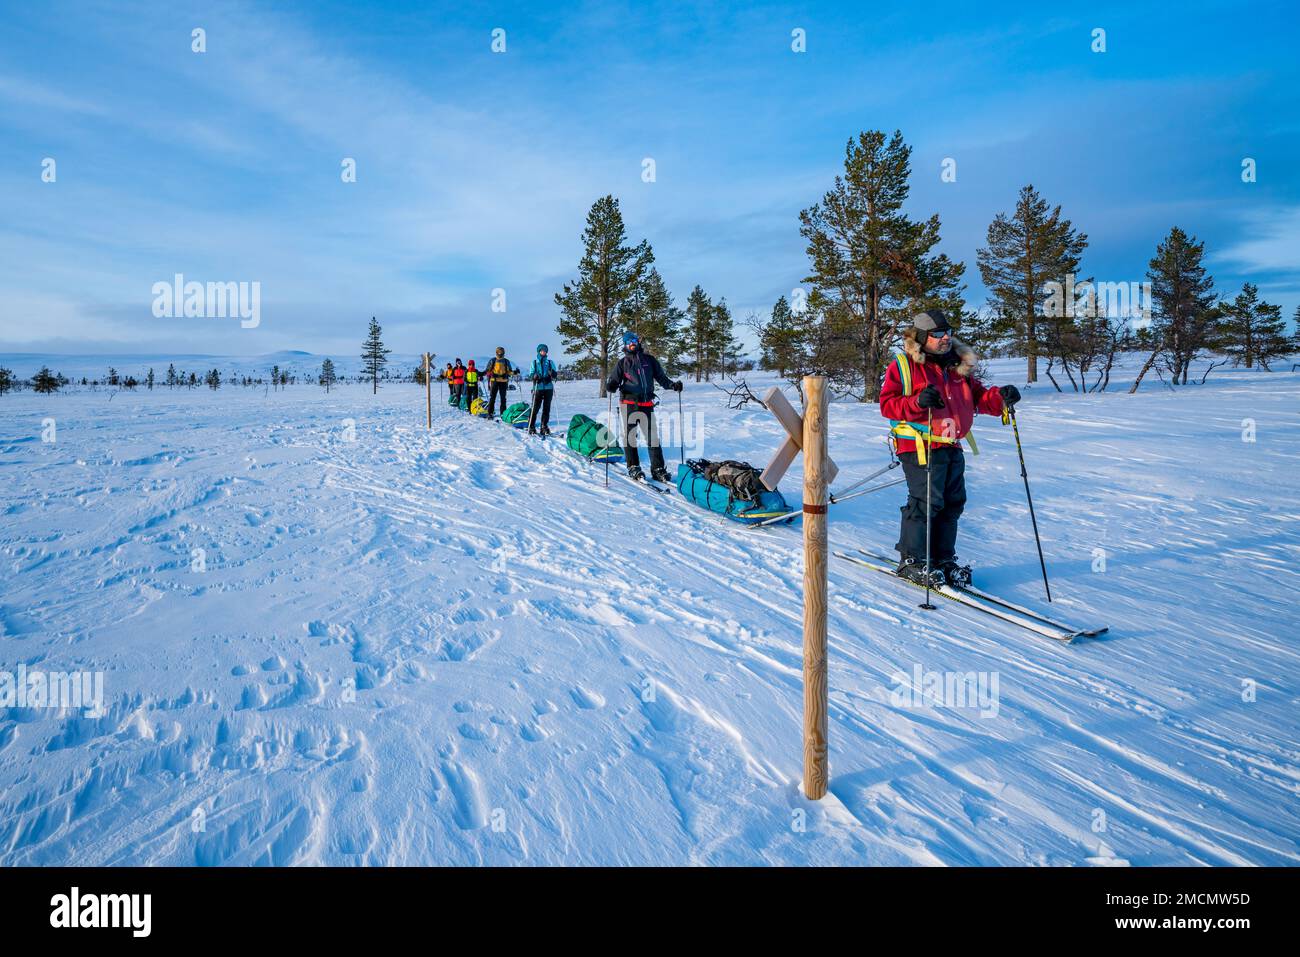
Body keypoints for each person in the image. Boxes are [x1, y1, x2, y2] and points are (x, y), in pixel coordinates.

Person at [879, 309, 1021, 587]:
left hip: (952, 443)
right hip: (918, 444)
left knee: (953, 502)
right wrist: (917, 402)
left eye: (948, 332)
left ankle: (943, 559)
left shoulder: (957, 366)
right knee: (926, 501)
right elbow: (887, 404)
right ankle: (913, 560)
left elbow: (978, 397)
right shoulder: (904, 365)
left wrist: (1001, 397)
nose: (945, 338)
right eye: (937, 334)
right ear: (921, 338)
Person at [604, 330, 682, 482]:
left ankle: (658, 469)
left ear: (638, 341)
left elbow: (661, 378)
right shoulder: (623, 363)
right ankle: (633, 467)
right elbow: (613, 380)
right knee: (630, 437)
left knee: (653, 438)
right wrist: (611, 385)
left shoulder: (649, 360)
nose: (631, 344)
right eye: (628, 342)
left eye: (633, 340)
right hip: (629, 404)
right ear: (625, 345)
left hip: (646, 404)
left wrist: (673, 385)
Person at [527, 343, 557, 435]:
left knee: (546, 409)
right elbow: (531, 374)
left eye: (545, 350)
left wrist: (552, 374)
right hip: (538, 387)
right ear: (539, 351)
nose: (543, 352)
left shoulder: (550, 362)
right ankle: (531, 426)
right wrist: (534, 376)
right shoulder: (534, 362)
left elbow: (555, 374)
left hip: (548, 388)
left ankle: (544, 426)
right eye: (541, 350)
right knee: (535, 408)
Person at [483, 346, 519, 419]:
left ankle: (503, 413)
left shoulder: (506, 361)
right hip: (494, 381)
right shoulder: (493, 360)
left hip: (503, 382)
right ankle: (490, 412)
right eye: (499, 352)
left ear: (503, 353)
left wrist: (515, 372)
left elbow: (509, 372)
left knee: (503, 398)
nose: (500, 354)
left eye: (501, 352)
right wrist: (481, 374)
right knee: (492, 397)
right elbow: (488, 370)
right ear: (496, 353)